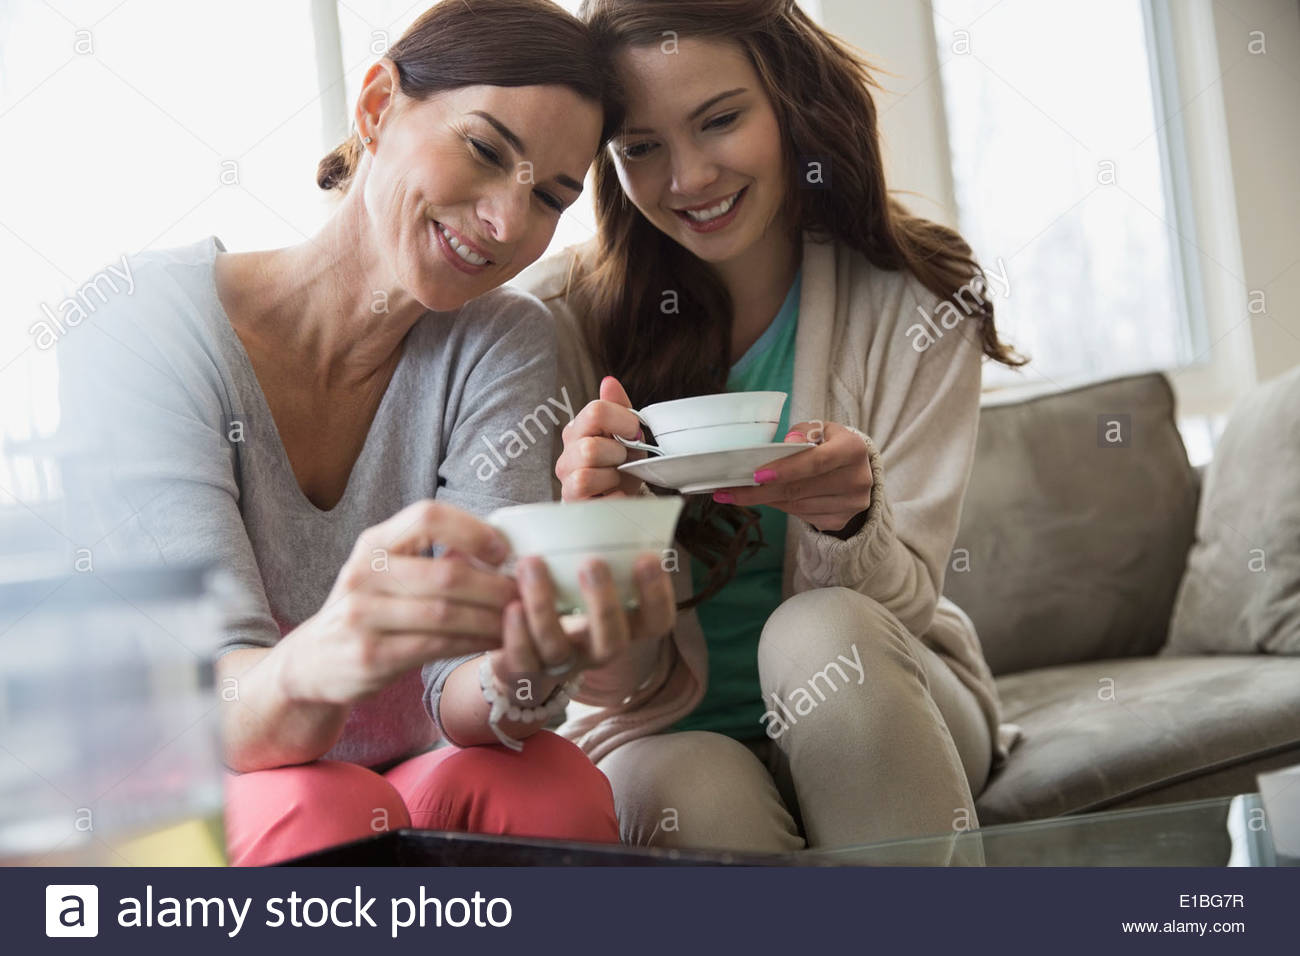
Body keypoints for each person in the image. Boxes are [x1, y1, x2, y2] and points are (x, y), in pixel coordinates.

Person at [56, 0, 675, 867]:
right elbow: (210, 706)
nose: (504, 221)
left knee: (551, 782)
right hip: (186, 775)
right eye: (485, 150)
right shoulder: (141, 325)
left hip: (397, 774)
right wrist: (325, 654)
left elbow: (458, 693)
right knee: (325, 808)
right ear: (379, 104)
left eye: (548, 197)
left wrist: (522, 668)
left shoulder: (505, 341)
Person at [523, 0, 1025, 856]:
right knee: (684, 786)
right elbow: (589, 677)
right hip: (660, 728)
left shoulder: (915, 298)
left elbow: (904, 600)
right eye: (641, 147)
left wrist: (847, 522)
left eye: (719, 120)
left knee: (820, 630)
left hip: (889, 694)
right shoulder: (557, 322)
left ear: (789, 96)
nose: (687, 180)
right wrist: (597, 536)